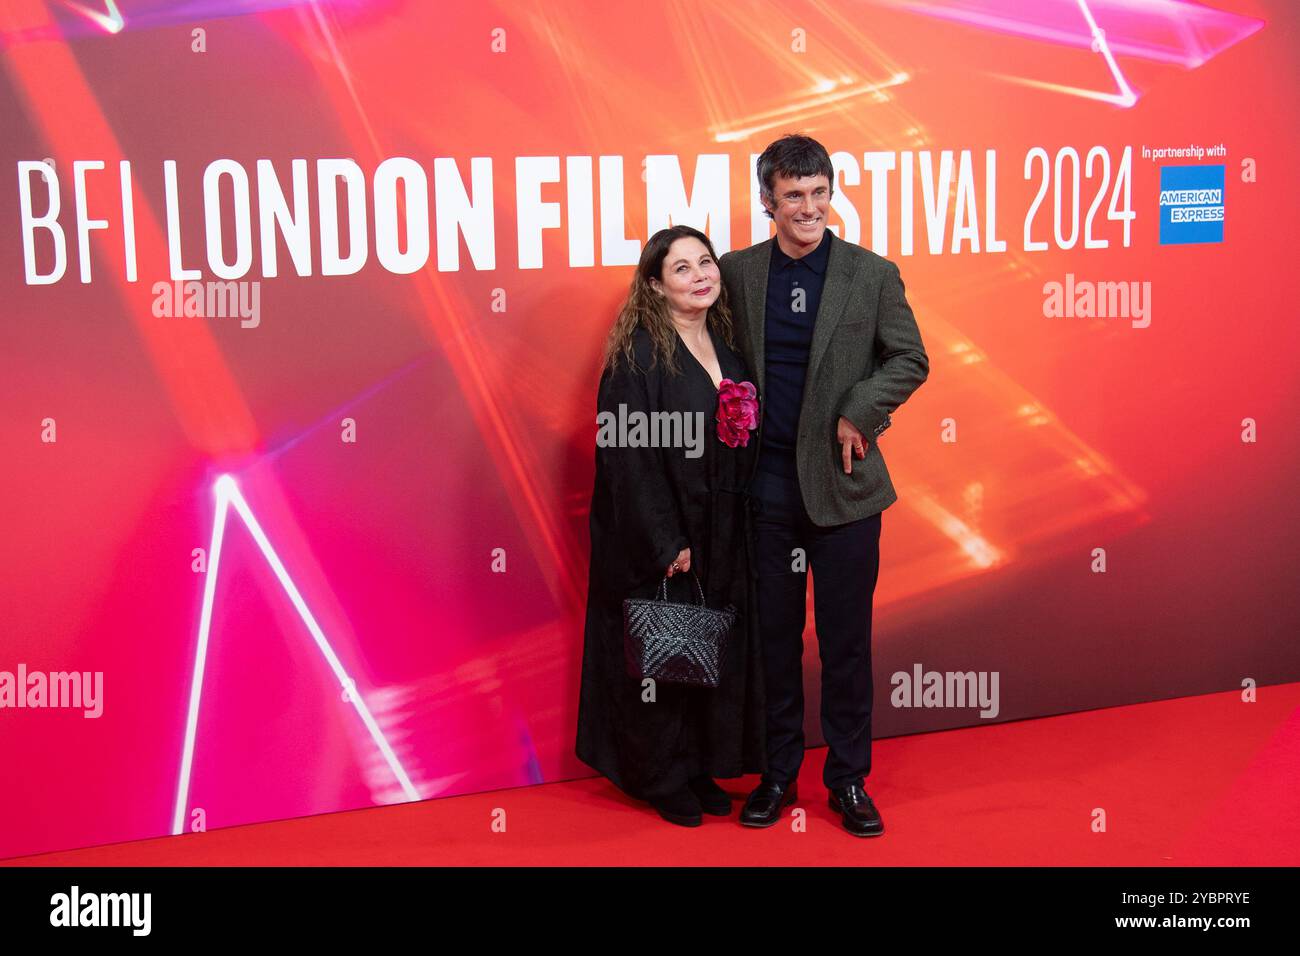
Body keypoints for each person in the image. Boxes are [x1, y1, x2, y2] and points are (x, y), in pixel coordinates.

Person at [718, 134, 929, 837]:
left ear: (830, 193)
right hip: (765, 494)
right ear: (767, 202)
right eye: (792, 196)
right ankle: (778, 774)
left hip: (844, 491)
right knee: (775, 641)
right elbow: (704, 356)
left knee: (845, 642)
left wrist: (857, 411)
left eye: (818, 193)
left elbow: (909, 358)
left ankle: (847, 780)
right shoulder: (738, 273)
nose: (808, 208)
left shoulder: (871, 274)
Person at [575, 225, 766, 827]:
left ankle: (698, 763)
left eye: (704, 262)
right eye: (680, 268)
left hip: (723, 528)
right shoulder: (637, 356)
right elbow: (625, 458)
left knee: (705, 648)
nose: (700, 275)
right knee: (660, 653)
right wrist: (665, 540)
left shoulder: (727, 346)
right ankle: (659, 775)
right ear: (655, 286)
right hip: (664, 534)